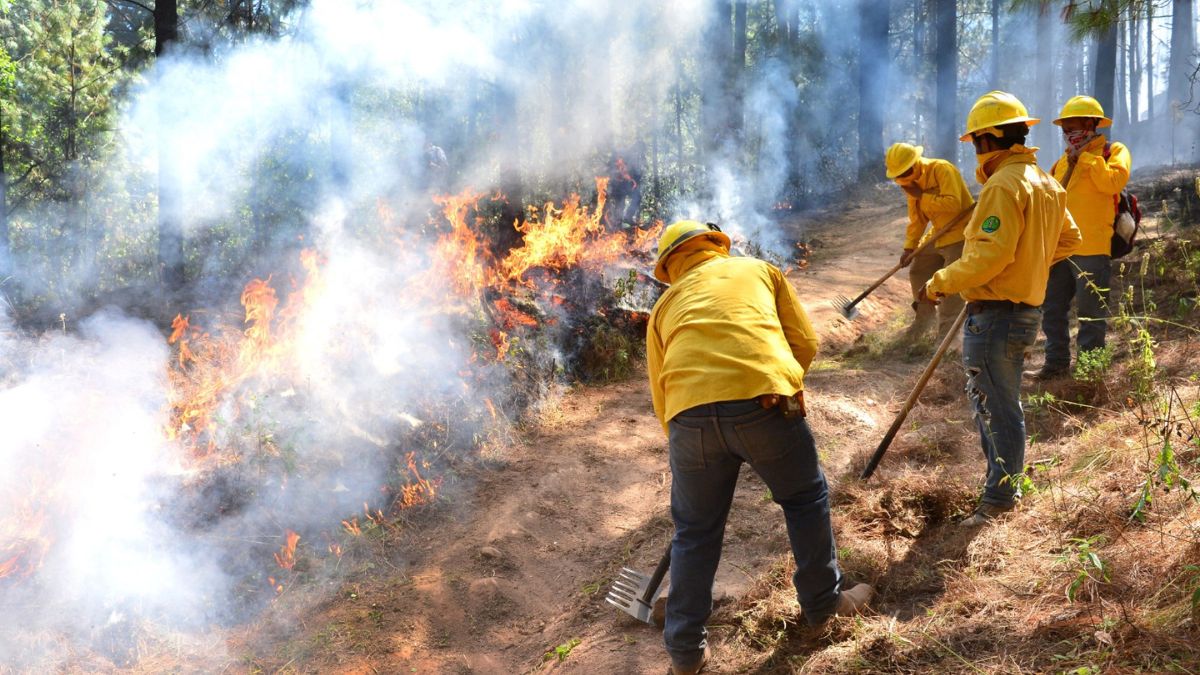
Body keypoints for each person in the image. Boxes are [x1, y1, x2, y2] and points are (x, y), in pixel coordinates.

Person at [646, 220, 874, 674]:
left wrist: (691, 440)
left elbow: (659, 393)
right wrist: (781, 382)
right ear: (715, 246)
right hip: (764, 401)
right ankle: (823, 605)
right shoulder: (757, 270)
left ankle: (685, 653)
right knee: (804, 499)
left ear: (670, 267)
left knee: (694, 532)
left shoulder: (664, 307)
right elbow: (804, 342)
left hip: (687, 418)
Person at [919, 91, 1081, 527]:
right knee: (1001, 402)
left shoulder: (1002, 185)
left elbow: (988, 257)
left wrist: (940, 281)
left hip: (995, 314)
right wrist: (1029, 261)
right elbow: (1069, 239)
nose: (974, 150)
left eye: (975, 142)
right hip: (1021, 312)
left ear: (990, 140)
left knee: (997, 406)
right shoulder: (1046, 182)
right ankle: (1003, 488)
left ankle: (998, 500)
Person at [1034, 96, 1132, 379]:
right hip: (1060, 251)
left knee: (1090, 316)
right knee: (1051, 310)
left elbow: (1112, 182)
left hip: (1093, 249)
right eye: (1065, 128)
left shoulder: (1113, 152)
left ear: (1091, 124)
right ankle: (1055, 365)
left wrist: (1086, 158)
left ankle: (1090, 372)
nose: (1068, 133)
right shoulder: (1060, 165)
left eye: (1073, 126)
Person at [885, 142, 975, 341]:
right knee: (919, 270)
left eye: (906, 171)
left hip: (962, 232)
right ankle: (923, 325)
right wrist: (909, 247)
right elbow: (917, 220)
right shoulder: (909, 184)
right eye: (899, 174)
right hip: (938, 233)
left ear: (916, 163)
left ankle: (948, 339)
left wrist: (922, 195)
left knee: (952, 284)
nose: (903, 177)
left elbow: (954, 204)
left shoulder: (942, 169)